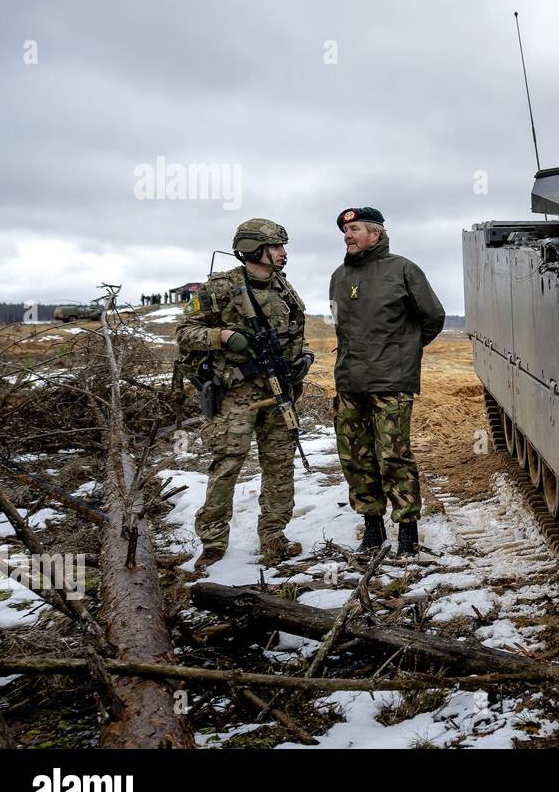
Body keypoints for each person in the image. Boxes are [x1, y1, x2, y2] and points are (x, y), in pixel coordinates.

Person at [176, 218, 312, 568]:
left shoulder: (284, 287)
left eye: (283, 247)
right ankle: (213, 541)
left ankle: (274, 536)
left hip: (278, 391)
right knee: (228, 465)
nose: (283, 253)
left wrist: (304, 359)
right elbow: (185, 332)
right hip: (235, 393)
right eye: (276, 247)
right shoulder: (220, 288)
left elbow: (297, 332)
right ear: (254, 249)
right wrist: (221, 337)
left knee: (280, 466)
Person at [329, 207, 445, 557]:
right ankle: (373, 526)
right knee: (354, 457)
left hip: (391, 381)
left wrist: (403, 352)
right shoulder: (338, 276)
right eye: (345, 231)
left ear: (375, 234)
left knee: (394, 455)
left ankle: (407, 529)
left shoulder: (404, 270)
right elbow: (341, 326)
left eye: (355, 229)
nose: (348, 236)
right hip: (350, 380)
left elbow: (433, 317)